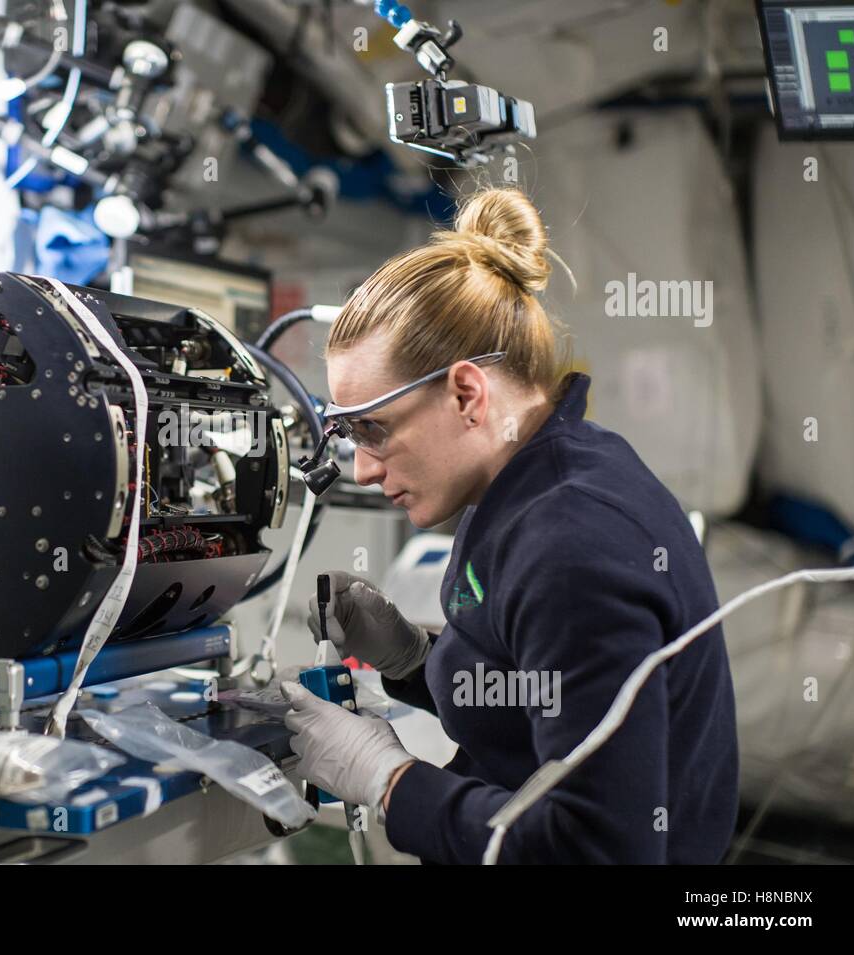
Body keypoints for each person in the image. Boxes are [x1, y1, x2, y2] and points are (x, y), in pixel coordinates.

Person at [281, 187, 739, 864]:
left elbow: (598, 849)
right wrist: (413, 659)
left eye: (373, 429)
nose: (367, 470)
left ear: (467, 393)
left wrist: (390, 782)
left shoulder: (571, 544)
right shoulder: (532, 482)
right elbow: (541, 696)